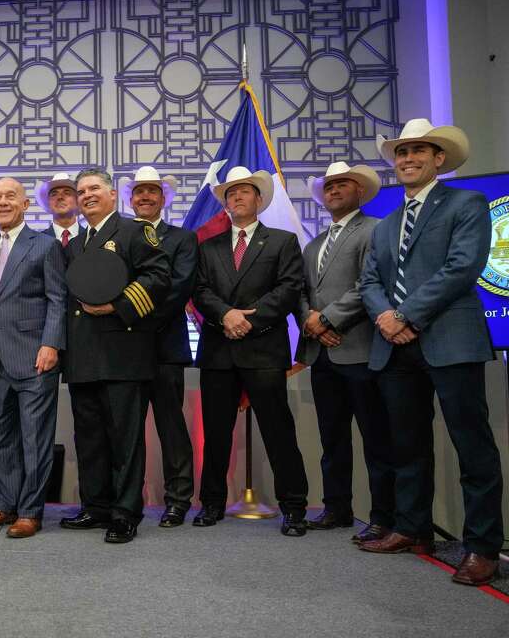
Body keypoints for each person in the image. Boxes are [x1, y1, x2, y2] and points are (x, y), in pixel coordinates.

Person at [358, 118, 504, 586]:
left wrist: (406, 316)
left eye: (419, 151)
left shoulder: (467, 203)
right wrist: (385, 317)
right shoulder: (385, 223)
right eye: (401, 152)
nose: (408, 159)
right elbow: (370, 282)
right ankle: (412, 528)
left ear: (439, 158)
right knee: (407, 446)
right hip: (394, 350)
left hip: (450, 341)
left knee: (472, 447)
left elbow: (463, 267)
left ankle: (482, 547)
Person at [192, 166, 309, 537]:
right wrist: (226, 315)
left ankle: (293, 507)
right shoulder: (206, 246)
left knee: (279, 432)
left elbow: (289, 289)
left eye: (244, 192)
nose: (237, 198)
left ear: (259, 199)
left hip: (264, 350)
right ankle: (211, 503)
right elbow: (198, 290)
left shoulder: (282, 241)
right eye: (231, 194)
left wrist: (248, 321)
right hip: (218, 352)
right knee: (215, 434)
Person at [59, 167, 170, 544]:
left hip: (123, 353)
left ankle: (125, 513)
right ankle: (96, 505)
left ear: (111, 195)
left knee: (125, 438)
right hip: (83, 357)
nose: (87, 195)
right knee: (89, 437)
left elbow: (158, 278)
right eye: (81, 191)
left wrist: (117, 306)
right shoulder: (74, 243)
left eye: (94, 189)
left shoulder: (135, 231)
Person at [296, 162, 395, 541]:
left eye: (342, 184)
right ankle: (337, 508)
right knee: (332, 438)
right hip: (323, 355)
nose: (333, 190)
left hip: (361, 350)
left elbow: (367, 285)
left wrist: (329, 321)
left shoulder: (374, 230)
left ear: (361, 191)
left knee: (376, 439)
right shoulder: (314, 243)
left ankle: (384, 516)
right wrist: (311, 322)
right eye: (329, 186)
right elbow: (302, 292)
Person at [0, 177, 67, 538]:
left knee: (34, 439)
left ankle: (30, 511)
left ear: (26, 204)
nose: (3, 202)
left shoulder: (44, 245)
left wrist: (51, 344)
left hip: (34, 359)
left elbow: (58, 298)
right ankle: (4, 505)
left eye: (11, 196)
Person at [122, 166, 198, 528]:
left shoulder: (183, 239)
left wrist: (133, 318)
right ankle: (127, 501)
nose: (145, 197)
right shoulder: (118, 237)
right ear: (130, 198)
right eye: (139, 192)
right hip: (124, 350)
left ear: (164, 198)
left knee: (172, 428)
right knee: (128, 431)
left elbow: (179, 287)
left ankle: (178, 500)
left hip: (165, 346)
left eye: (152, 191)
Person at [36, 172, 82, 248]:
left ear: (77, 200)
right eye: (54, 194)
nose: (60, 197)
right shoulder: (37, 242)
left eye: (67, 193)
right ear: (48, 203)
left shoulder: (90, 238)